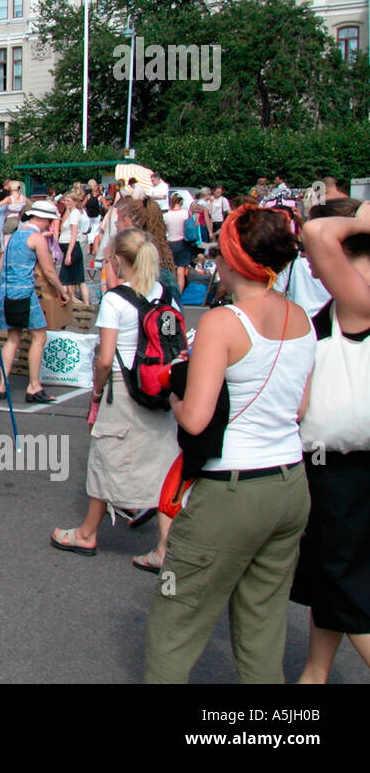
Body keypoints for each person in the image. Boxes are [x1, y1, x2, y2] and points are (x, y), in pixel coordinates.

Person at [144, 206, 314, 684]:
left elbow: (196, 419)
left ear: (233, 259)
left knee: (175, 621)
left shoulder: (223, 322)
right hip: (288, 481)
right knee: (262, 625)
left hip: (232, 487)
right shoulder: (301, 316)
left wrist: (175, 390)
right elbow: (299, 408)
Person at [50, 229, 179, 566]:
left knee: (105, 457)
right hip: (159, 387)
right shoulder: (165, 294)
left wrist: (96, 391)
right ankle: (165, 546)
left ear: (119, 262)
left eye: (107, 260)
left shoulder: (115, 300)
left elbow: (105, 359)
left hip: (123, 387)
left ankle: (87, 533)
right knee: (164, 465)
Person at [290, 200, 370, 682]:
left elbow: (318, 232)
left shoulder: (359, 302)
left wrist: (359, 220)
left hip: (341, 465)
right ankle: (315, 673)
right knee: (333, 574)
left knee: (340, 578)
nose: (320, 267)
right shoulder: (349, 307)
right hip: (345, 460)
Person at [0, 201, 68, 403]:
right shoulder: (37, 238)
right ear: (41, 218)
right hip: (24, 292)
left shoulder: (14, 235)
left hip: (4, 291)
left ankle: (2, 384)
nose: (51, 225)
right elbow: (49, 271)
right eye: (50, 221)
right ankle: (34, 386)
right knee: (39, 336)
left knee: (13, 338)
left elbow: (1, 265)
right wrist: (63, 291)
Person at [57, 192, 90, 306]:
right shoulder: (71, 213)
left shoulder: (75, 214)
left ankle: (78, 301)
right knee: (75, 278)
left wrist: (69, 254)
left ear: (75, 202)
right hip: (68, 247)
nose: (66, 203)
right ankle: (82, 302)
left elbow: (74, 235)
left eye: (68, 201)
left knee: (67, 278)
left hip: (72, 247)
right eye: (65, 200)